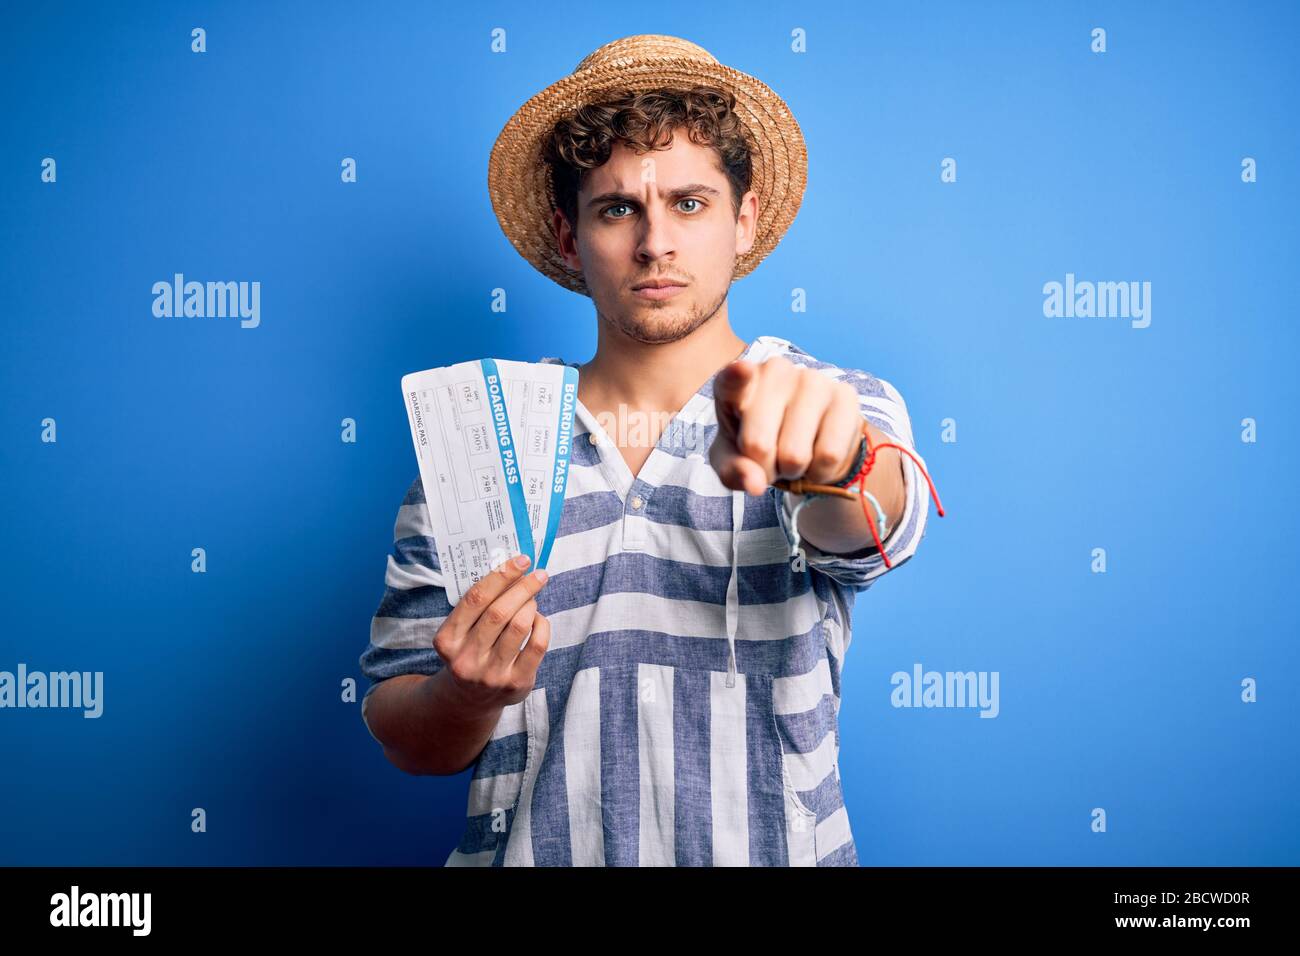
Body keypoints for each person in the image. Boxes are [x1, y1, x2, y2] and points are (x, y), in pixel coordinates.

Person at [359, 34, 933, 866]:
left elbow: (877, 518)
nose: (655, 242)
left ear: (745, 220)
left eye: (691, 204)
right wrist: (463, 697)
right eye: (619, 208)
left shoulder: (828, 402)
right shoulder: (480, 436)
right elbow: (409, 736)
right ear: (569, 236)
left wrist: (837, 464)